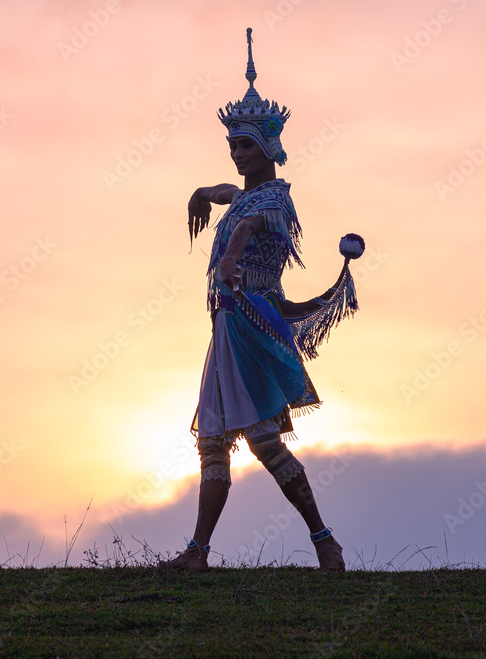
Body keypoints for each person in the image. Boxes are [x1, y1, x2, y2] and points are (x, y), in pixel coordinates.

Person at [164, 28, 363, 572]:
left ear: (267, 146)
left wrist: (230, 260)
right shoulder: (248, 191)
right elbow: (231, 197)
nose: (236, 154)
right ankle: (198, 554)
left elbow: (251, 219)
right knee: (211, 439)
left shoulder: (274, 199)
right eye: (232, 146)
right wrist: (201, 193)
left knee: (263, 442)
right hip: (228, 327)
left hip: (250, 324)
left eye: (244, 145)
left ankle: (326, 543)